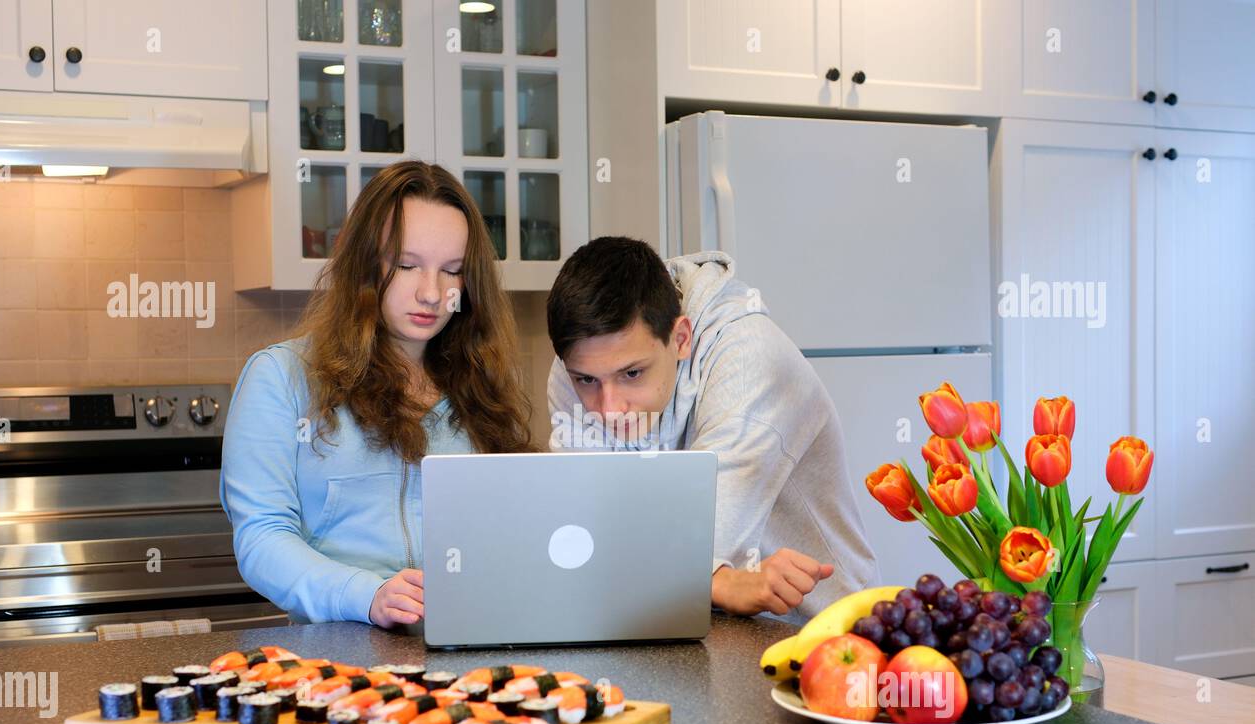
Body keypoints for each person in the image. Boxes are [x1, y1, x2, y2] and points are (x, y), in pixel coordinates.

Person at [221, 161, 534, 627]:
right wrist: (366, 596)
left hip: (467, 650)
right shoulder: (281, 378)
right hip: (338, 662)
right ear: (364, 265)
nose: (432, 293)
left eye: (452, 271)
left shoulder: (479, 382)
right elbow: (262, 539)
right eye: (407, 265)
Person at [546, 238, 877, 624]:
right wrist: (715, 583)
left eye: (632, 374)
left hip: (821, 629)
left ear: (681, 338)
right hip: (692, 622)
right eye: (586, 381)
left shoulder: (751, 360)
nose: (609, 409)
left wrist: (702, 574)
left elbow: (703, 543)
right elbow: (582, 534)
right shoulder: (579, 366)